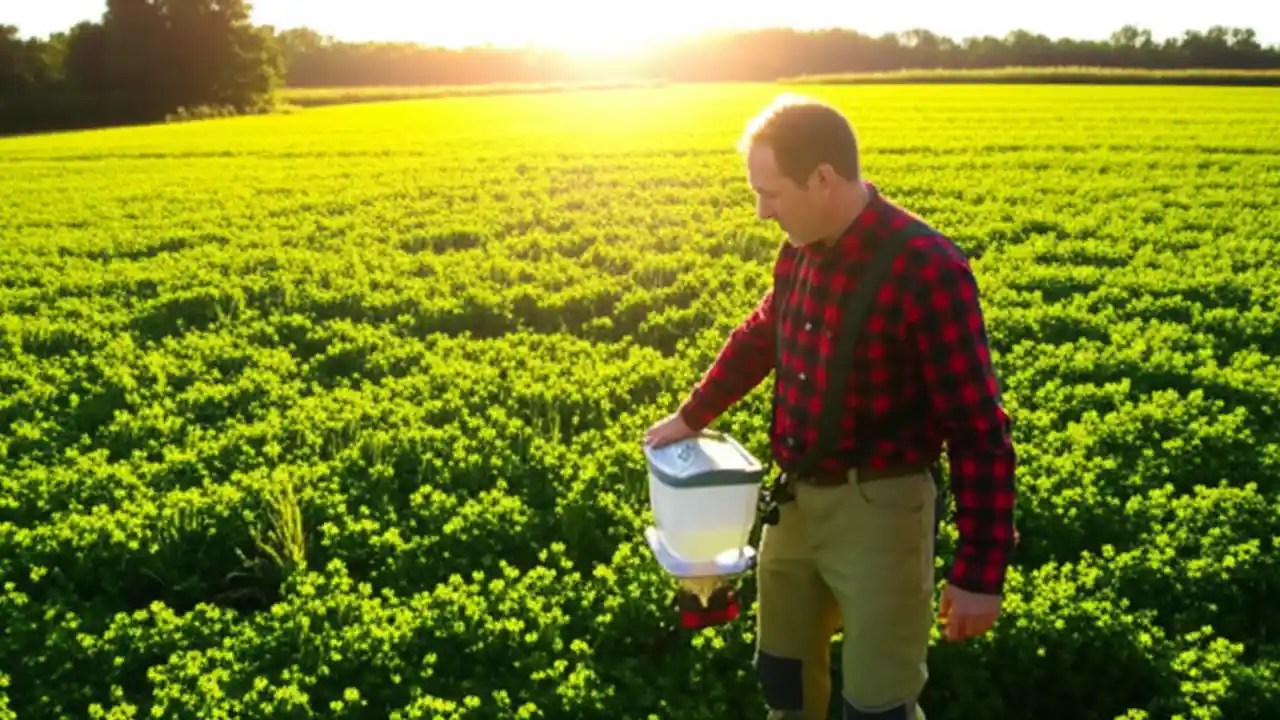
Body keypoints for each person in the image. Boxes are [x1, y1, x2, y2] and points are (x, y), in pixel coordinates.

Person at [643, 94, 1018, 720]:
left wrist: (979, 572)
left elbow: (979, 431)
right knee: (784, 684)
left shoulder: (925, 267)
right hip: (796, 504)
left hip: (881, 511)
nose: (762, 212)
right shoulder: (799, 250)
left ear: (822, 179)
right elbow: (762, 334)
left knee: (878, 704)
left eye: (771, 193)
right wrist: (692, 416)